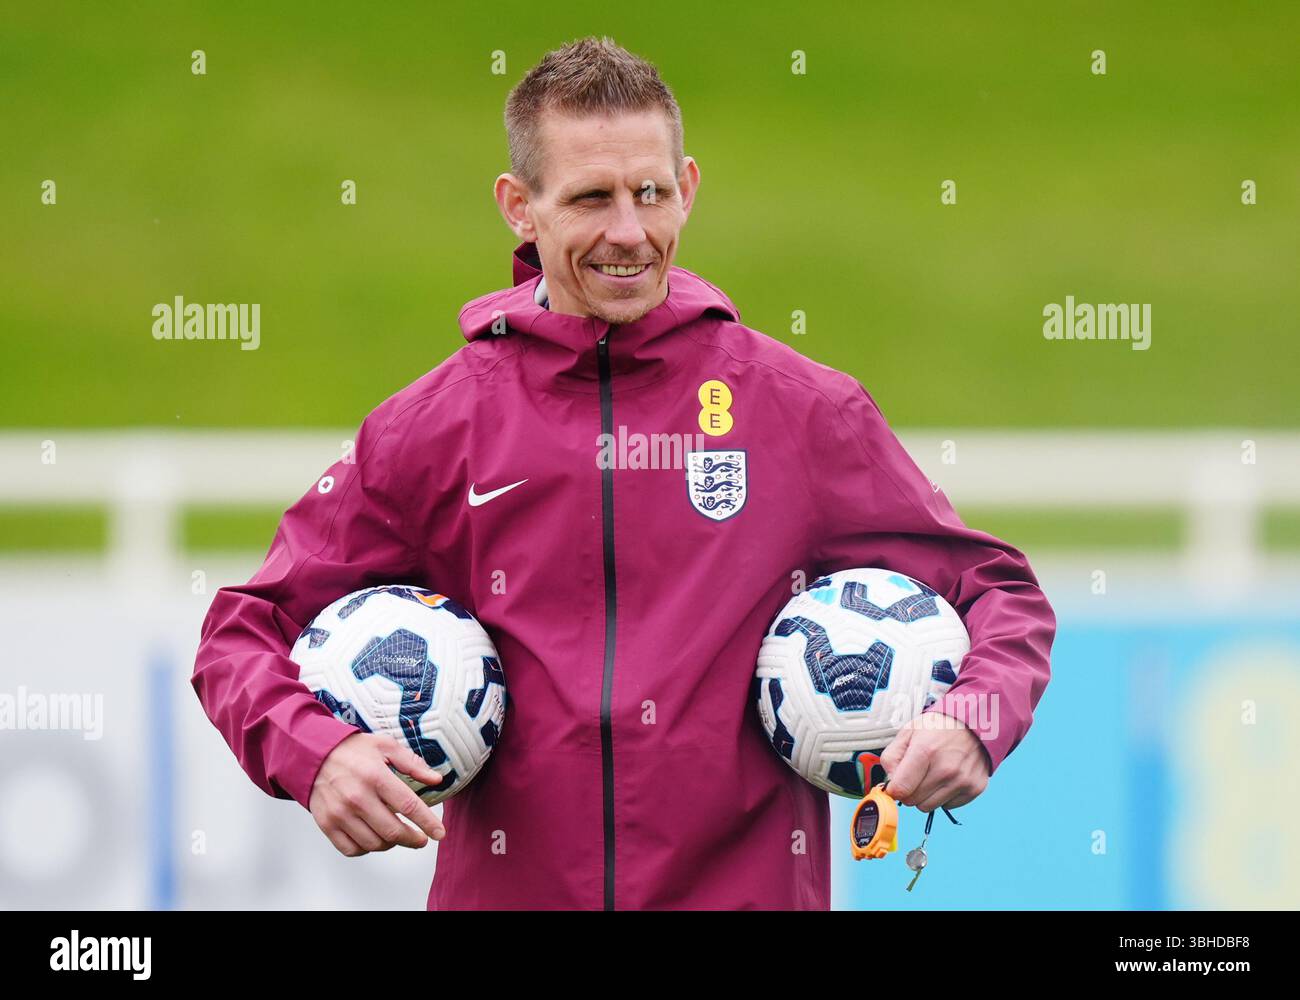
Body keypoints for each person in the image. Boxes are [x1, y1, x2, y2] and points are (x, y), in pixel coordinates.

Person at [192, 36, 1055, 910]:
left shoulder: (801, 411)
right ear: (519, 208)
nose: (629, 233)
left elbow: (999, 590)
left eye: (650, 193)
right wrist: (317, 752)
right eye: (591, 198)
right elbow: (244, 628)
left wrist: (970, 721)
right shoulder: (433, 429)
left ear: (688, 186)